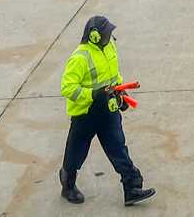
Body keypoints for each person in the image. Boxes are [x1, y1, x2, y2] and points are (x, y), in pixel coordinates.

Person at [59, 14, 156, 206]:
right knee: (76, 152)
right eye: (106, 33)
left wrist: (122, 95)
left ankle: (132, 189)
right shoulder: (80, 57)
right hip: (85, 114)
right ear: (94, 36)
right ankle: (68, 184)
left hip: (108, 109)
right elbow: (67, 88)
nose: (109, 36)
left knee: (118, 148)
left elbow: (114, 75)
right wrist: (93, 94)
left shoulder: (109, 47)